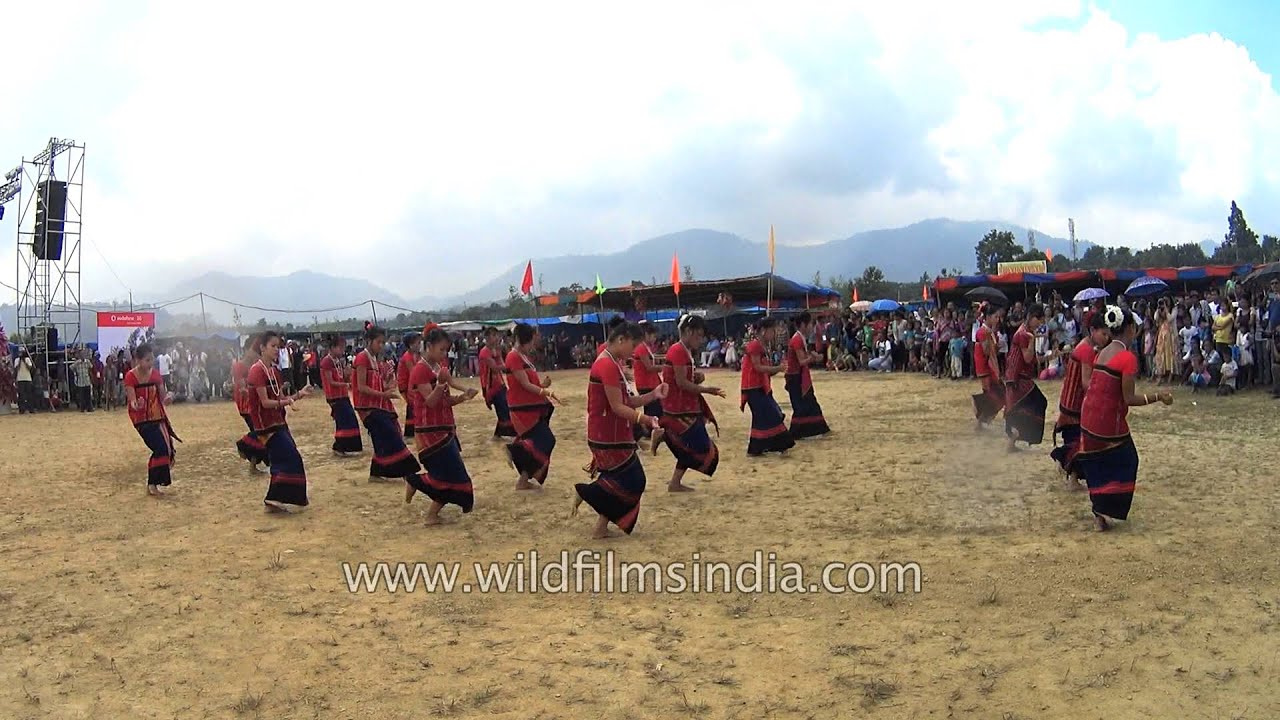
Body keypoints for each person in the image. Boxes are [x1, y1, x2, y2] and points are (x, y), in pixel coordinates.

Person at [1076, 306, 1173, 531]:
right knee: (1128, 459)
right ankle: (1104, 509)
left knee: (1098, 462)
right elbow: (1129, 398)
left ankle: (1099, 511)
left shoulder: (1103, 351)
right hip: (1107, 422)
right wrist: (1158, 396)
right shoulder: (1126, 357)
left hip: (1088, 417)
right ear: (1129, 328)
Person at [573, 321, 667, 538]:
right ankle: (589, 493)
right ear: (622, 339)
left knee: (623, 479)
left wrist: (653, 395)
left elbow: (627, 402)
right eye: (633, 346)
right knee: (632, 478)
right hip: (607, 434)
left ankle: (600, 523)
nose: (633, 352)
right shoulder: (606, 365)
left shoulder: (612, 363)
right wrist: (644, 418)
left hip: (612, 432)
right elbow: (617, 406)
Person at [407, 328, 480, 524]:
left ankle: (429, 507)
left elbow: (444, 401)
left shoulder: (437, 368)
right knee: (453, 475)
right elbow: (430, 402)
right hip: (430, 432)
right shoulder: (420, 370)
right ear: (429, 346)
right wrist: (440, 385)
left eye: (446, 350)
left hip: (444, 428)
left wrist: (463, 397)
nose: (444, 354)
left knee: (448, 475)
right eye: (441, 349)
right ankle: (417, 483)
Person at [248, 331, 313, 513]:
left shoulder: (274, 371)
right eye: (273, 346)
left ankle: (275, 499)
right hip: (266, 425)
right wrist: (286, 401)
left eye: (278, 346)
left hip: (277, 422)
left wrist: (299, 394)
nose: (277, 350)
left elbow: (282, 398)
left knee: (283, 459)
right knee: (291, 457)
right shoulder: (257, 371)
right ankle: (275, 497)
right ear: (262, 348)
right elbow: (265, 403)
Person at [659, 315, 724, 491]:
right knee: (700, 447)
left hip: (685, 406)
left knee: (690, 447)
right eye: (698, 336)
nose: (700, 340)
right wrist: (707, 389)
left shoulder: (683, 351)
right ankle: (663, 435)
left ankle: (674, 482)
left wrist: (698, 377)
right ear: (687, 332)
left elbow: (684, 379)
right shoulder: (678, 351)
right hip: (679, 408)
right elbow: (681, 383)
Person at [354, 325, 425, 483]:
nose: (381, 346)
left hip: (378, 404)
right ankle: (408, 471)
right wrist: (383, 393)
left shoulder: (375, 360)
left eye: (382, 342)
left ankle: (376, 472)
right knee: (391, 436)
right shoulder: (362, 358)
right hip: (367, 407)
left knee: (382, 439)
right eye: (378, 342)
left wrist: (387, 383)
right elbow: (361, 387)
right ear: (369, 341)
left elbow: (376, 385)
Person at [1050, 313, 1110, 487]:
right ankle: (1062, 460)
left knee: (1080, 442)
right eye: (1103, 334)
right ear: (1092, 330)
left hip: (1073, 402)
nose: (1105, 338)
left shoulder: (1087, 346)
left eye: (1107, 334)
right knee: (1078, 443)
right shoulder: (1086, 350)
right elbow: (1086, 382)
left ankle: (1074, 478)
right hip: (1074, 406)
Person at [505, 323, 561, 490]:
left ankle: (523, 478)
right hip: (523, 409)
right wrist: (547, 393)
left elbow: (530, 383)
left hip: (532, 406)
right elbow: (524, 384)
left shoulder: (523, 358)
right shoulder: (513, 357)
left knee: (538, 441)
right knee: (544, 440)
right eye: (530, 342)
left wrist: (543, 385)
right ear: (523, 341)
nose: (532, 346)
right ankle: (515, 450)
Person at [123, 343, 179, 496]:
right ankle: (152, 484)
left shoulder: (155, 375)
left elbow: (162, 398)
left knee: (166, 449)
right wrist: (137, 405)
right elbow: (132, 402)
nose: (150, 363)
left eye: (151, 359)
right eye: (147, 360)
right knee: (159, 448)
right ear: (138, 360)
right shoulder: (130, 377)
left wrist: (169, 397)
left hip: (157, 417)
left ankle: (153, 484)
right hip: (141, 420)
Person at [739, 317, 795, 456]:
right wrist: (778, 368)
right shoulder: (755, 346)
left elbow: (766, 371)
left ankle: (757, 448)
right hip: (753, 388)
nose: (774, 334)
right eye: (772, 330)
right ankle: (781, 445)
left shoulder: (761, 346)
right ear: (763, 331)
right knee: (771, 415)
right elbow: (758, 368)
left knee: (763, 418)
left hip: (759, 387)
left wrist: (778, 369)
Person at [1004, 302, 1052, 452]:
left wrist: (1050, 357)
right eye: (1039, 319)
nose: (1040, 323)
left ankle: (1014, 438)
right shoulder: (1024, 334)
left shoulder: (1025, 332)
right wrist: (1032, 341)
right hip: (1019, 379)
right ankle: (1017, 435)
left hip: (1017, 377)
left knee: (1024, 406)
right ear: (1032, 317)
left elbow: (1033, 360)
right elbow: (1027, 357)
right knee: (1035, 403)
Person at [784, 312, 831, 438]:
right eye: (810, 324)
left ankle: (810, 431)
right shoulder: (797, 339)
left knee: (807, 404)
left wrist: (813, 357)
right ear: (804, 325)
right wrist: (813, 358)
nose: (812, 327)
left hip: (798, 375)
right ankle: (800, 432)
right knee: (802, 406)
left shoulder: (799, 338)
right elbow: (802, 361)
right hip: (796, 377)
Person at [320, 335, 363, 456]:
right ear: (333, 347)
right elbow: (330, 381)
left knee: (348, 420)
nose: (342, 351)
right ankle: (339, 447)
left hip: (342, 395)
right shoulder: (327, 361)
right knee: (344, 421)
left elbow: (341, 377)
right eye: (340, 348)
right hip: (334, 396)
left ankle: (344, 446)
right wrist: (346, 384)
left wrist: (347, 375)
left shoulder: (338, 361)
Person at [232, 340, 270, 472]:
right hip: (246, 404)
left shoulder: (255, 365)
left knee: (260, 433)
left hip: (255, 403)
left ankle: (253, 464)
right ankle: (243, 445)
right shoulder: (239, 366)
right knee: (258, 432)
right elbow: (243, 388)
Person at [631, 321, 666, 448]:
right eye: (652, 335)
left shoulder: (646, 347)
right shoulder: (641, 348)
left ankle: (651, 430)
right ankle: (652, 431)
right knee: (654, 408)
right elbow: (649, 367)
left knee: (653, 408)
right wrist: (664, 367)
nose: (654, 338)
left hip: (649, 382)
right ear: (646, 334)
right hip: (646, 383)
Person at [478, 328, 517, 439]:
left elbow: (501, 366)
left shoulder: (496, 350)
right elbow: (496, 368)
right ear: (487, 338)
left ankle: (498, 435)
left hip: (499, 384)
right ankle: (513, 434)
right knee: (505, 409)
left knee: (504, 409)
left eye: (496, 335)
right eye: (494, 335)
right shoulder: (485, 352)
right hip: (490, 387)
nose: (497, 338)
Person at [972, 305, 1004, 430]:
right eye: (995, 317)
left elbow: (990, 351)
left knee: (993, 394)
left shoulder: (988, 332)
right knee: (992, 395)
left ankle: (981, 421)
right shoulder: (983, 332)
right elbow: (986, 351)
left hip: (988, 367)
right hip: (986, 368)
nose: (997, 320)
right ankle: (981, 420)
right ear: (988, 317)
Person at [397, 333, 422, 440]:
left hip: (411, 384)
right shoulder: (407, 357)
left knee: (412, 406)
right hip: (406, 386)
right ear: (411, 345)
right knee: (412, 404)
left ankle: (411, 430)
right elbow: (414, 373)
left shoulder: (416, 355)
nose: (419, 345)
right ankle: (410, 431)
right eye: (418, 343)